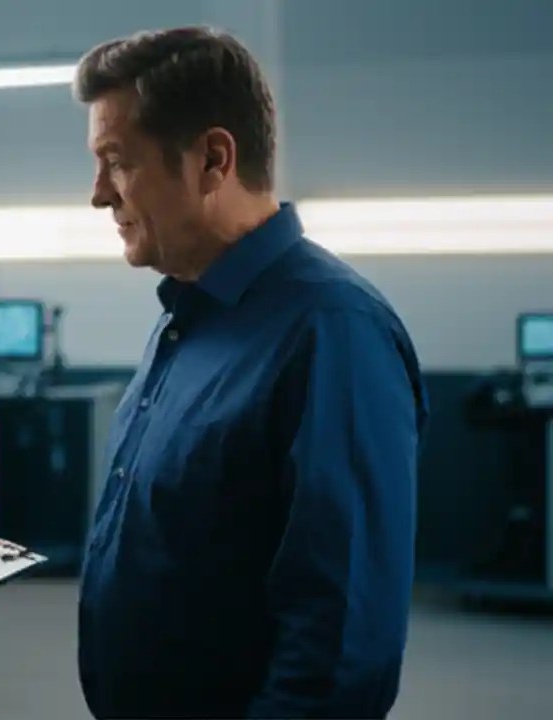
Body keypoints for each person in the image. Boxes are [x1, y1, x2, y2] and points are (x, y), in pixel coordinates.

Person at [73, 26, 429, 719]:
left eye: (116, 162)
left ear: (213, 159)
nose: (98, 195)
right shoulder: (189, 316)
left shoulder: (332, 330)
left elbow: (341, 647)